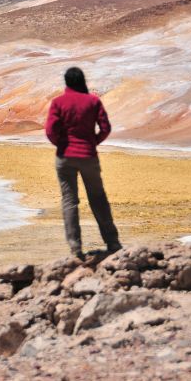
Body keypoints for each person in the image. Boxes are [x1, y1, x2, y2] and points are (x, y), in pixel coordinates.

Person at [45, 67, 122, 259]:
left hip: (64, 157)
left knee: (70, 201)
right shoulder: (93, 101)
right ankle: (112, 243)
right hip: (88, 156)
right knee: (98, 198)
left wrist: (61, 144)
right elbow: (105, 128)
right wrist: (92, 142)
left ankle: (75, 248)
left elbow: (50, 130)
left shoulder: (58, 103)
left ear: (67, 82)